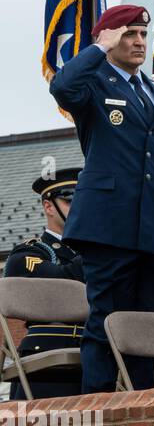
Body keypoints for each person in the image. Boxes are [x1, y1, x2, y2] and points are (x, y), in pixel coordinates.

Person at [48, 5, 154, 394]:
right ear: (108, 39)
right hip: (107, 224)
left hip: (153, 228)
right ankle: (99, 405)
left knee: (148, 325)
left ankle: (139, 408)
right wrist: (96, 50)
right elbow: (61, 87)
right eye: (128, 34)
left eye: (143, 35)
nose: (139, 42)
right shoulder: (94, 81)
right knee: (106, 318)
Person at [1, 169, 85, 400]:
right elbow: (64, 285)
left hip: (101, 351)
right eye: (70, 202)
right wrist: (99, 245)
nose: (81, 208)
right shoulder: (30, 253)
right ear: (49, 207)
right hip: (51, 358)